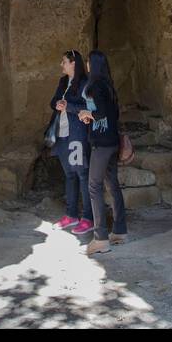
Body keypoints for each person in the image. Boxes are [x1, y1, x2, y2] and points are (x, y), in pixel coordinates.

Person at [78, 50, 127, 255]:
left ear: (93, 65)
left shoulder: (96, 86)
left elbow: (101, 113)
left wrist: (86, 113)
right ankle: (120, 231)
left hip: (101, 144)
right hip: (112, 141)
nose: (87, 66)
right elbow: (111, 114)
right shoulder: (108, 86)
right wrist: (91, 117)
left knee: (94, 187)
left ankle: (100, 238)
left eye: (89, 62)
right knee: (112, 185)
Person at [50, 50, 93, 234]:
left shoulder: (85, 83)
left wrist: (70, 106)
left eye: (64, 61)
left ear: (73, 63)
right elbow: (53, 101)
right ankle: (71, 215)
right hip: (62, 133)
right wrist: (57, 104)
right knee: (69, 174)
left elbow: (90, 108)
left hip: (77, 134)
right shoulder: (62, 82)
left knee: (82, 175)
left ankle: (88, 218)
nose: (62, 65)